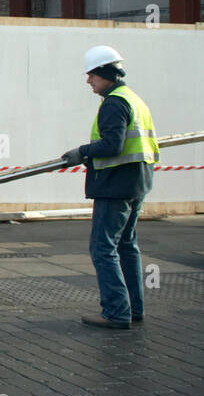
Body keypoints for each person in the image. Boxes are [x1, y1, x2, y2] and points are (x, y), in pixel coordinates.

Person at [60, 45, 158, 330]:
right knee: (127, 246)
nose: (88, 81)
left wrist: (82, 151)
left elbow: (112, 145)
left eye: (92, 75)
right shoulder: (134, 99)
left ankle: (116, 312)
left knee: (103, 249)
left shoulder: (114, 103)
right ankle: (133, 309)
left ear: (105, 74)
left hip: (116, 185)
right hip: (137, 182)